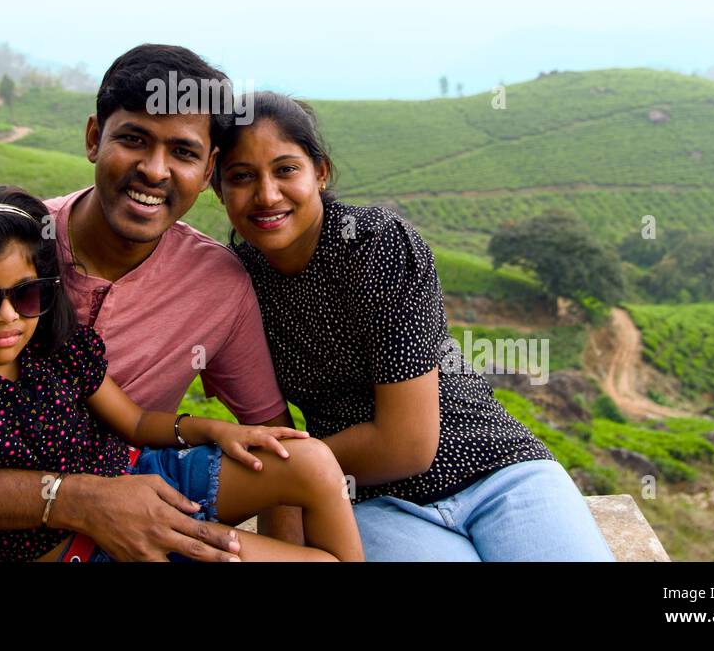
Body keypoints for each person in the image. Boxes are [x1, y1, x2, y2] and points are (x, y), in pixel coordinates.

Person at [0, 44, 304, 561]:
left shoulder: (219, 285)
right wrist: (70, 499)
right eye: (133, 139)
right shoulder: (3, 249)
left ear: (209, 167)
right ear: (92, 138)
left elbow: (271, 445)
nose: (154, 170)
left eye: (184, 152)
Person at [210, 91, 616, 561]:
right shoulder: (235, 286)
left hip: (494, 469)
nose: (267, 194)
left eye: (286, 169)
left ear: (320, 173)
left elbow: (407, 444)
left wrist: (295, 469)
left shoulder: (375, 245)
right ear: (218, 189)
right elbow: (267, 427)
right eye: (241, 177)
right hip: (370, 502)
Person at [0, 182, 363, 562]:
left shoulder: (57, 353)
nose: (7, 317)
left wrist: (216, 430)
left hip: (143, 477)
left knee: (313, 462)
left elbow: (132, 422)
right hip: (78, 550)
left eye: (26, 295)